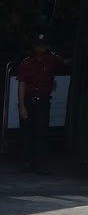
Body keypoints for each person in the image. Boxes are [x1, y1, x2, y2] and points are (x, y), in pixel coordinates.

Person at [16, 35, 68, 174]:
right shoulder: (26, 63)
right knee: (27, 133)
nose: (41, 48)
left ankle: (40, 165)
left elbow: (66, 62)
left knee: (42, 133)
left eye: (43, 45)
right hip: (28, 100)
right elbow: (22, 84)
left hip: (43, 101)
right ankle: (26, 164)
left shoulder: (52, 60)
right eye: (38, 45)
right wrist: (21, 106)